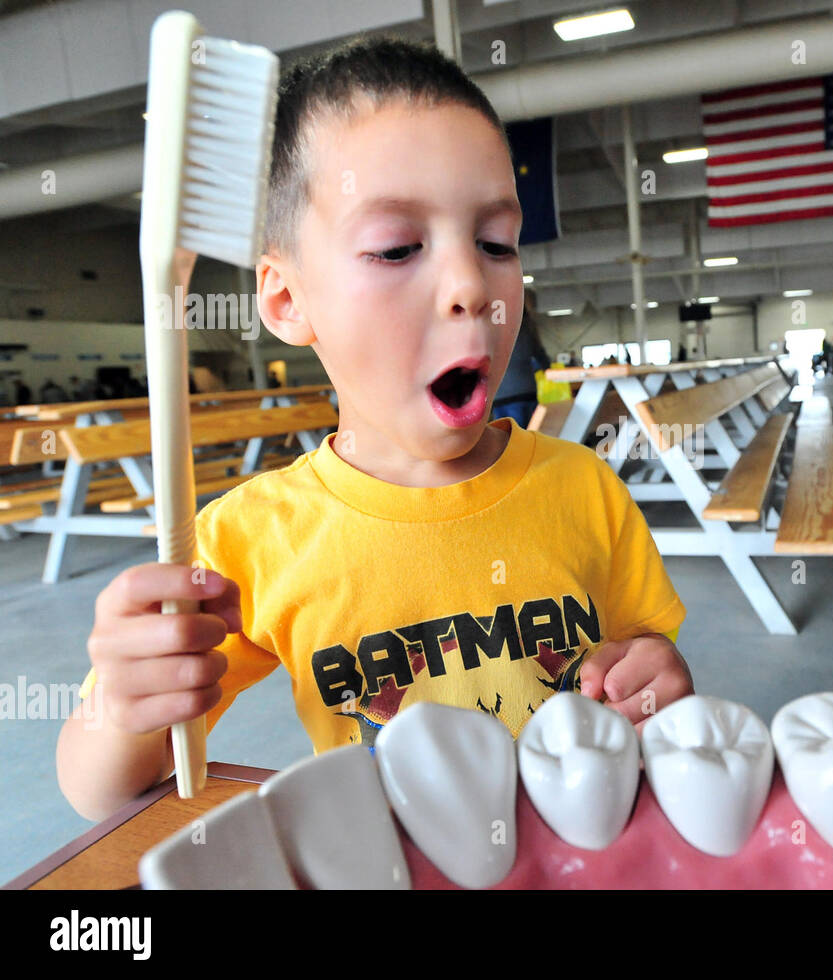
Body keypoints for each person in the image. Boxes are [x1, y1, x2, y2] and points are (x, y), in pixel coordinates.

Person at [57, 35, 691, 821]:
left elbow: (650, 672)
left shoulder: (584, 490)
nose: (469, 284)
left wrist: (657, 681)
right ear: (287, 301)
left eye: (496, 243)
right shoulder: (247, 544)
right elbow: (97, 793)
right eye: (396, 248)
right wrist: (122, 706)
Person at [491, 288, 548, 428]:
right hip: (526, 390)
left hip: (500, 393)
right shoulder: (527, 327)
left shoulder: (491, 328)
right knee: (529, 437)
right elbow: (541, 357)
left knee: (507, 440)